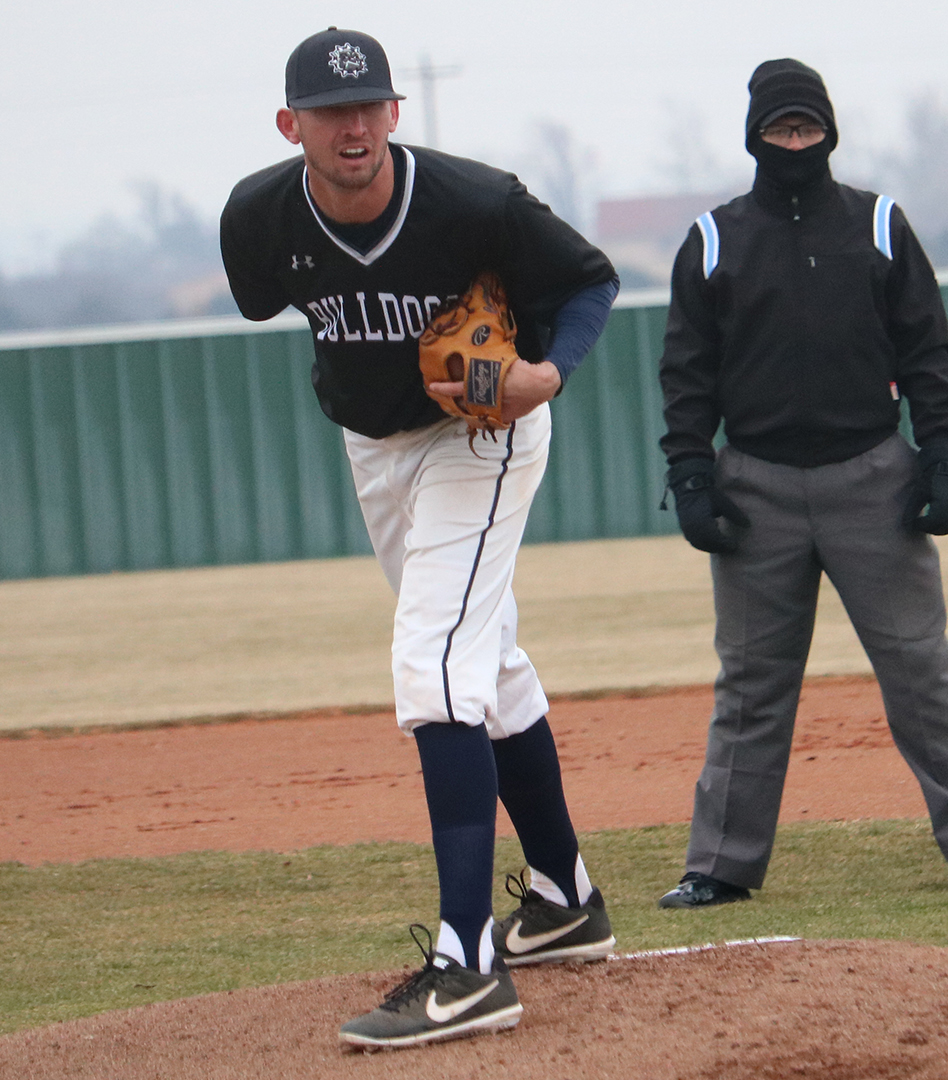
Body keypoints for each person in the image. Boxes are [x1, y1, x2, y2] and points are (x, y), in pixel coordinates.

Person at [219, 28, 621, 1050]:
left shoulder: (476, 202)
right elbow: (270, 301)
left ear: (395, 113)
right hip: (375, 443)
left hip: (481, 433)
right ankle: (564, 896)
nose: (352, 127)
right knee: (480, 657)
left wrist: (549, 374)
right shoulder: (259, 218)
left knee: (434, 664)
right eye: (328, 111)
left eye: (369, 107)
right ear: (290, 125)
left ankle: (470, 961)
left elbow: (590, 282)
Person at [654, 59, 948, 910]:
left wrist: (944, 459)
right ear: (755, 137)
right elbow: (685, 372)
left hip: (873, 482)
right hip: (756, 488)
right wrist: (691, 475)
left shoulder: (881, 224)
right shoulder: (712, 239)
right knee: (749, 688)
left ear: (830, 133)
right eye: (780, 130)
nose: (795, 142)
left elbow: (928, 351)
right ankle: (720, 866)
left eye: (808, 128)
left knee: (919, 672)